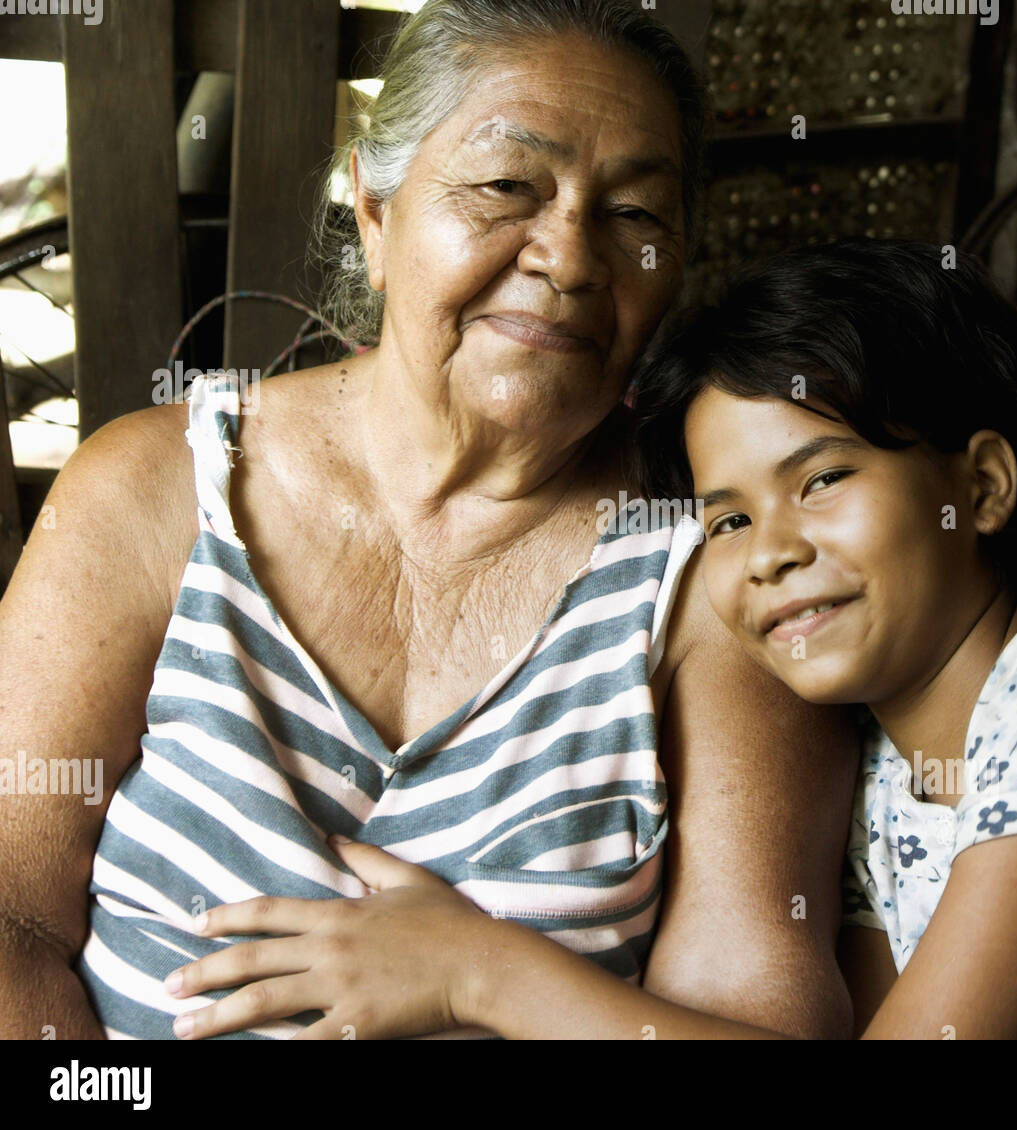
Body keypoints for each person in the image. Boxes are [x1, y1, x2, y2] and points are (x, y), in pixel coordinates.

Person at [165, 237, 1017, 1039]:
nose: (770, 550)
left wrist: (480, 972)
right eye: (727, 517)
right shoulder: (877, 783)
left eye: (825, 478)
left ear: (982, 484)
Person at [0, 0, 859, 1041]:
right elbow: (12, 921)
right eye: (506, 186)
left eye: (635, 215)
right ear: (374, 212)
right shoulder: (152, 490)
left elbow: (764, 1022)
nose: (573, 257)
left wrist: (488, 974)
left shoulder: (718, 577)